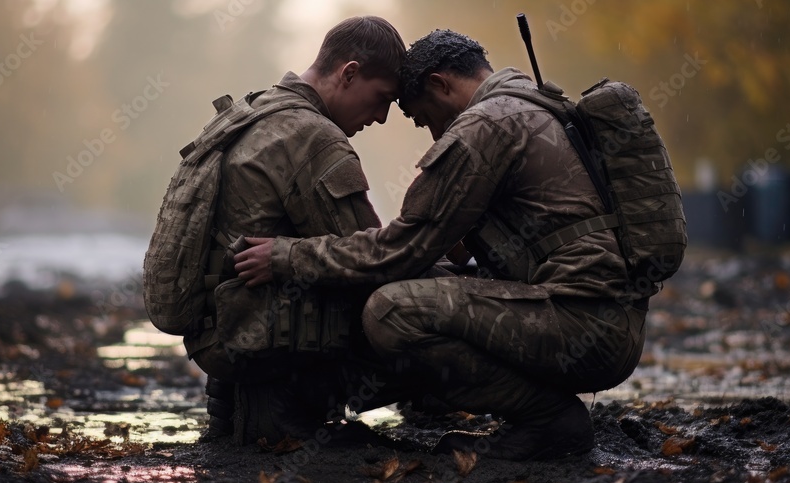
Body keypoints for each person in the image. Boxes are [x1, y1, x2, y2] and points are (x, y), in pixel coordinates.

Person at [233, 29, 650, 460]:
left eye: (425, 118)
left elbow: (400, 248)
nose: (433, 135)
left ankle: (548, 420)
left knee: (392, 311)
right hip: (603, 319)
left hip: (582, 325)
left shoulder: (486, 124)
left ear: (440, 84)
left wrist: (288, 257)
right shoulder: (532, 103)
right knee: (430, 285)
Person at [188, 15, 408, 445]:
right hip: (262, 339)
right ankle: (290, 398)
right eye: (382, 98)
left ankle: (241, 395)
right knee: (422, 306)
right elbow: (376, 257)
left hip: (218, 329)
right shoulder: (315, 137)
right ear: (349, 73)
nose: (381, 117)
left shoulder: (256, 109)